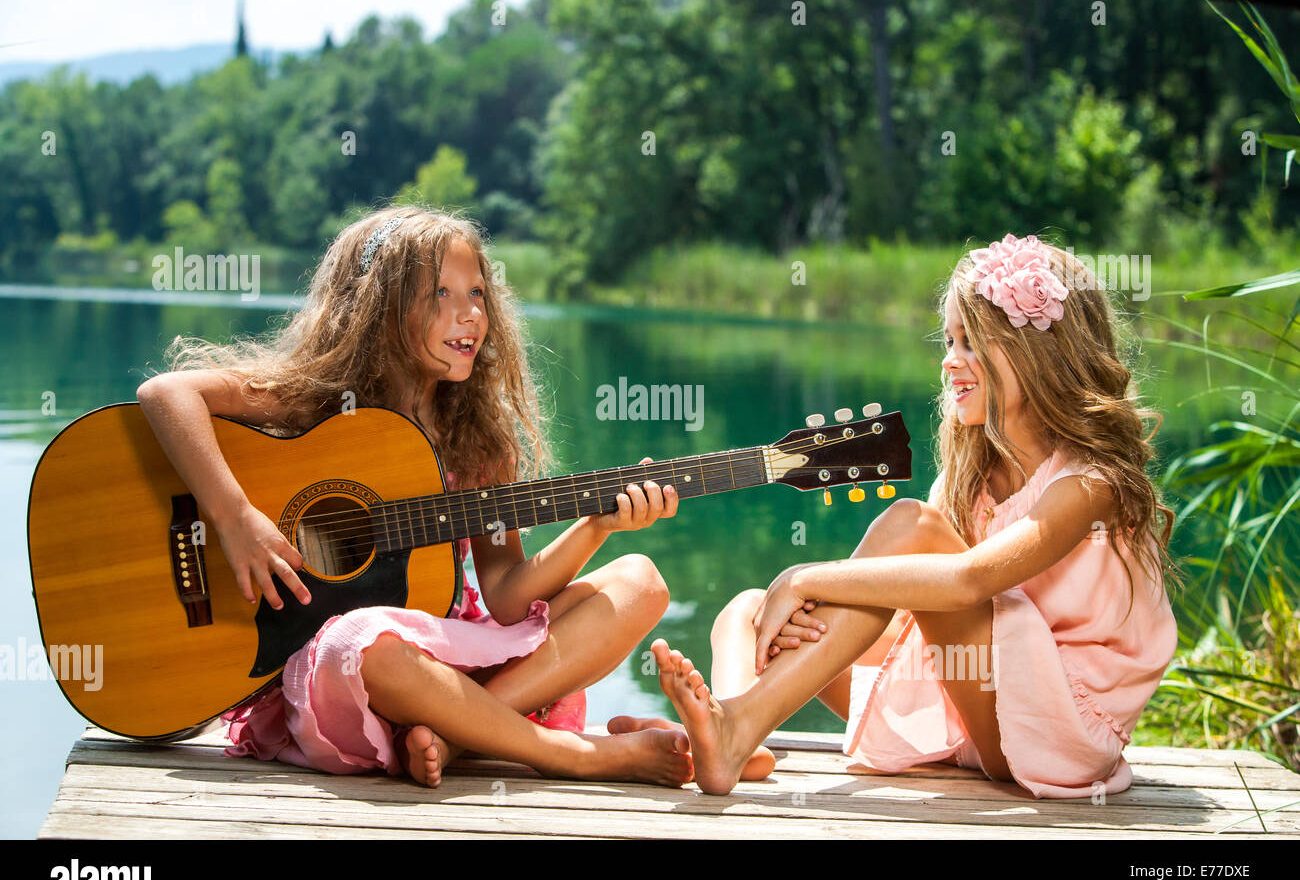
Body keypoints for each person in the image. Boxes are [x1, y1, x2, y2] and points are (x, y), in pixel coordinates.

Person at [136, 206, 692, 788]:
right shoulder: (316, 403)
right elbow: (167, 393)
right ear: (377, 306)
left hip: (448, 661)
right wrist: (234, 517)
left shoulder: (478, 447)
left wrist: (595, 527)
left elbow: (505, 597)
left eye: (477, 291)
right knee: (365, 640)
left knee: (641, 581)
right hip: (357, 677)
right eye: (440, 294)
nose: (470, 313)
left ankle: (454, 735)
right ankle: (569, 754)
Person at [642, 233, 1182, 798]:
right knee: (748, 612)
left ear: (1040, 354)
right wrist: (811, 619)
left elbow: (969, 581)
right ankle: (737, 730)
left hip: (1055, 730)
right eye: (949, 340)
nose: (952, 360)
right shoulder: (968, 480)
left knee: (909, 526)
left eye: (973, 343)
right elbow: (909, 617)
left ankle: (734, 728)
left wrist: (802, 579)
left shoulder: (1089, 485)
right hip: (970, 704)